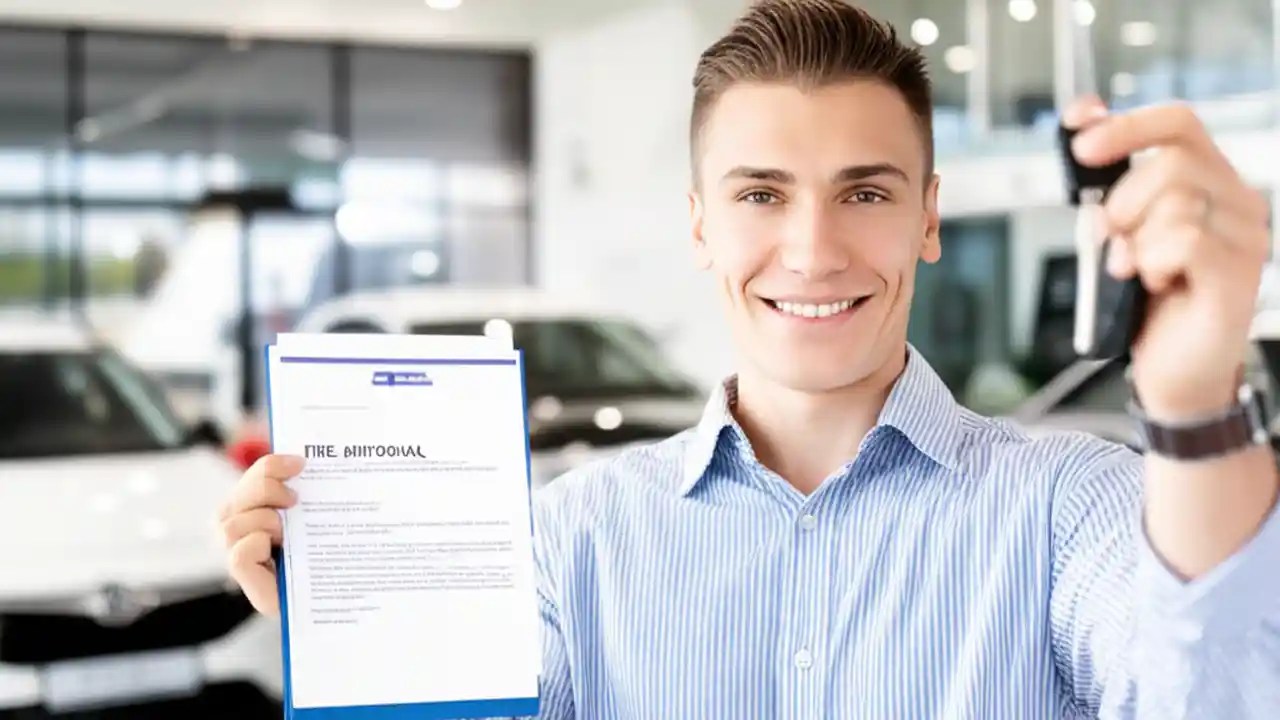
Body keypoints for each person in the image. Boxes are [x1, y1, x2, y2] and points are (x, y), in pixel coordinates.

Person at [218, 1, 1280, 717]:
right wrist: (358, 626)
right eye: (760, 194)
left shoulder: (1068, 507)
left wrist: (1192, 403)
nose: (811, 250)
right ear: (699, 226)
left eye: (863, 192)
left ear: (925, 217)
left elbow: (1212, 689)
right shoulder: (570, 539)